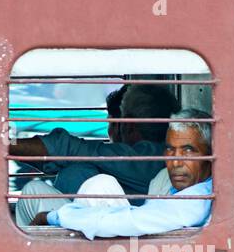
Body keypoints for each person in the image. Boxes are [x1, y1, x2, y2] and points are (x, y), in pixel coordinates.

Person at [11, 83, 179, 226]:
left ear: (128, 126)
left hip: (119, 245)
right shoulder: (154, 162)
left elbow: (66, 148)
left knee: (97, 185)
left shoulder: (146, 158)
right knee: (34, 189)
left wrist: (6, 145)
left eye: (111, 124)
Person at [32, 109, 213, 239]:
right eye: (170, 150)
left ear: (210, 154)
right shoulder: (163, 178)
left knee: (99, 186)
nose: (176, 162)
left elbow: (132, 221)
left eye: (188, 151)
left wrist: (52, 217)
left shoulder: (199, 198)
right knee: (34, 190)